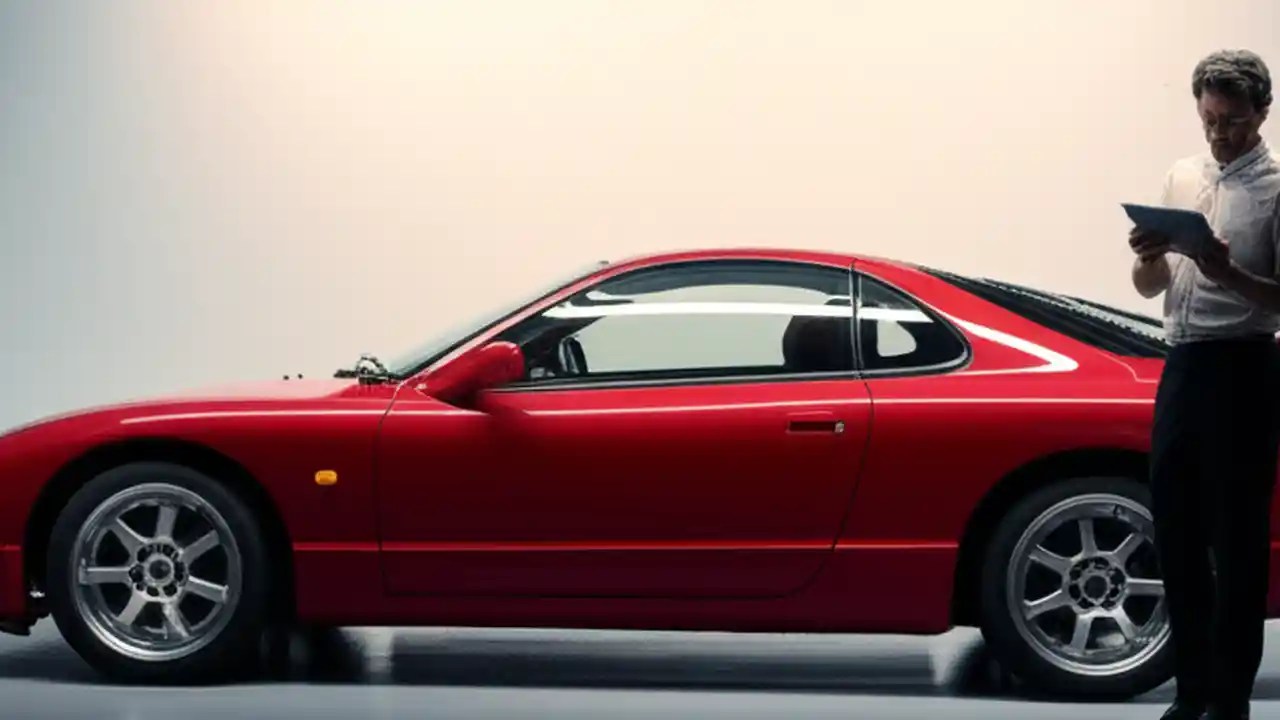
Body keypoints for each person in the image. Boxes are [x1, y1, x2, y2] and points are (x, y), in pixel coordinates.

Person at [1130, 49, 1280, 720]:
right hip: (1183, 365)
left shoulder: (1276, 188)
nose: (1220, 134)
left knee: (1238, 540)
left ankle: (1230, 700)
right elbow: (1149, 287)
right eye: (1210, 119)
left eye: (1234, 122)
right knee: (1177, 533)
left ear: (1262, 113)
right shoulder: (1181, 175)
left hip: (1245, 368)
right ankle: (1191, 693)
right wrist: (1150, 257)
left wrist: (1229, 275)